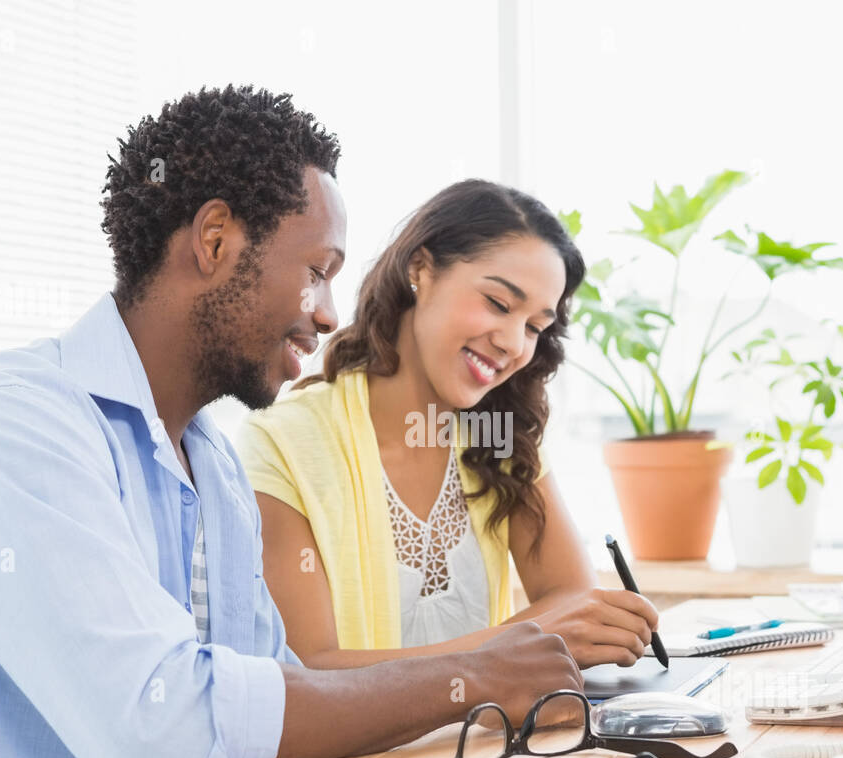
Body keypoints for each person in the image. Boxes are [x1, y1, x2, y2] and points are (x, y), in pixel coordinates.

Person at [0, 85, 580, 758]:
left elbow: (282, 699)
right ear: (215, 239)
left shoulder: (216, 473)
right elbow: (155, 730)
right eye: (315, 270)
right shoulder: (12, 430)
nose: (329, 312)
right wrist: (466, 678)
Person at [239, 179, 659, 669]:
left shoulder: (500, 435)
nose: (513, 343)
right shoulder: (282, 444)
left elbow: (572, 597)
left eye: (534, 328)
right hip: (369, 750)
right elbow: (309, 669)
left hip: (495, 743)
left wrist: (567, 628)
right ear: (421, 269)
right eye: (499, 304)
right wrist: (517, 645)